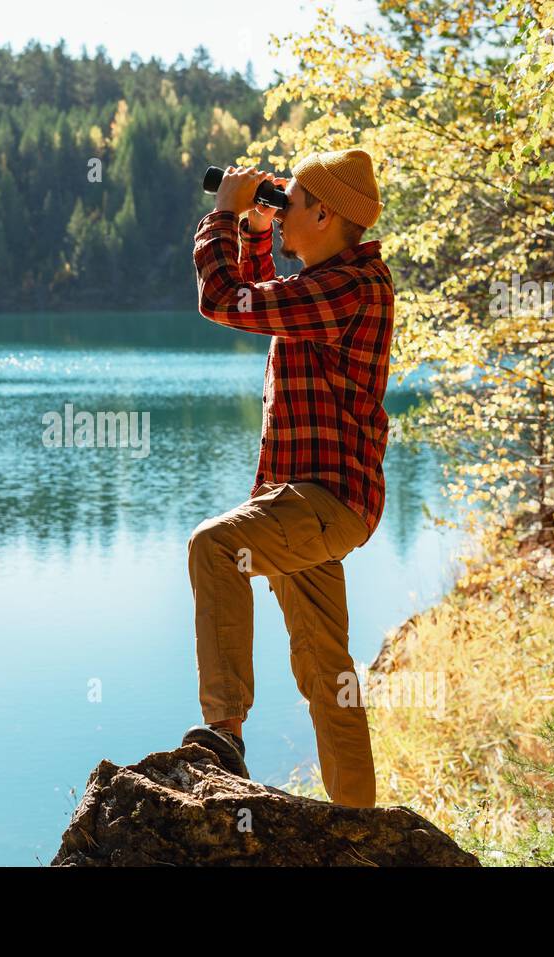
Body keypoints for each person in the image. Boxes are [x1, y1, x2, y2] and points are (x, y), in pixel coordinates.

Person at [180, 149, 393, 808]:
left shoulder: (347, 288)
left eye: (292, 202)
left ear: (326, 214)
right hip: (309, 507)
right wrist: (251, 229)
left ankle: (224, 735)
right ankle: (359, 825)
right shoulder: (334, 283)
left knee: (214, 548)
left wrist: (221, 215)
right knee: (328, 670)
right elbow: (263, 298)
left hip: (320, 502)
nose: (282, 215)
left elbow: (225, 301)